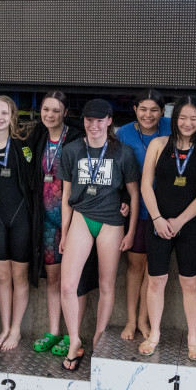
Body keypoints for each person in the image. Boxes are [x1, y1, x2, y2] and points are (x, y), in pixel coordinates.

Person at [57, 99, 142, 371]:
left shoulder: (123, 152)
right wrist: (64, 231)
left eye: (99, 120)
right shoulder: (71, 150)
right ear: (83, 122)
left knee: (106, 285)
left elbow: (134, 193)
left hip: (111, 222)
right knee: (67, 285)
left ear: (109, 121)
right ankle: (73, 340)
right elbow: (66, 194)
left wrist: (130, 231)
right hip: (81, 217)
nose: (93, 126)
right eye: (88, 120)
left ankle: (99, 336)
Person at [140, 95, 196, 360]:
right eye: (182, 117)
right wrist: (159, 219)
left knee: (190, 282)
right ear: (174, 119)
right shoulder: (158, 145)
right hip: (158, 222)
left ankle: (193, 336)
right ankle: (155, 333)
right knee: (156, 280)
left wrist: (179, 221)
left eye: (193, 118)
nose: (187, 123)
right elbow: (145, 186)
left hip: (190, 225)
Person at [27, 91, 90, 357]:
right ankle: (53, 330)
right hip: (47, 221)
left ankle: (71, 334)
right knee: (53, 277)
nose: (49, 115)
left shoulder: (77, 137)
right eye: (45, 109)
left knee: (74, 281)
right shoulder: (36, 136)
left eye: (55, 110)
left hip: (74, 220)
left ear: (65, 112)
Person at [0, 95, 37, 352]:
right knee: (2, 277)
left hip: (20, 217)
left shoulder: (24, 142)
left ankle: (16, 330)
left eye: (4, 113)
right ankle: (4, 328)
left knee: (19, 275)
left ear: (12, 115)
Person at [115, 89, 171, 341]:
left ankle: (143, 319)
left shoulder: (172, 127)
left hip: (164, 209)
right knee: (135, 266)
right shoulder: (124, 133)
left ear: (162, 112)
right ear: (135, 109)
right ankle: (130, 320)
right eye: (143, 109)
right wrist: (121, 201)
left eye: (154, 110)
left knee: (153, 268)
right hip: (138, 209)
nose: (149, 115)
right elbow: (117, 172)